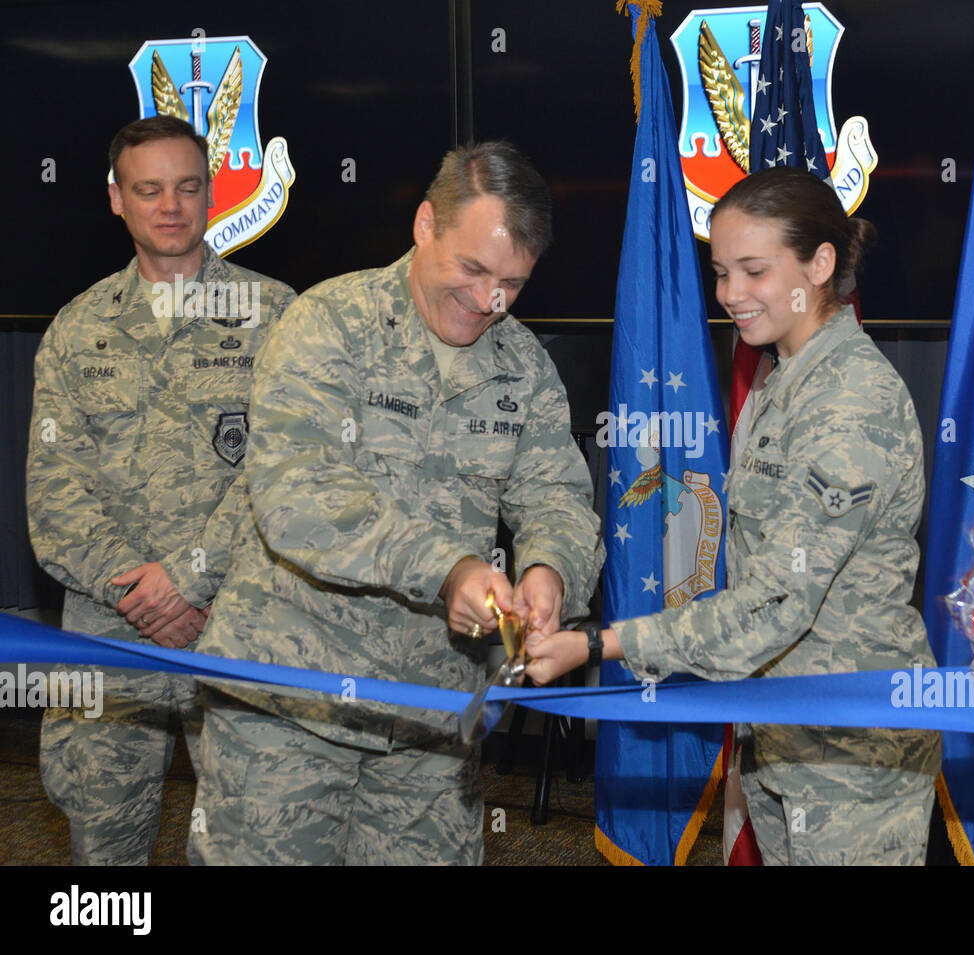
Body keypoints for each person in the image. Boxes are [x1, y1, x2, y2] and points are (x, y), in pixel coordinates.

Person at [187, 140, 603, 866]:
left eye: (511, 282)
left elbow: (558, 495)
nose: (486, 300)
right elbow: (298, 494)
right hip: (288, 708)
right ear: (423, 225)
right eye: (471, 269)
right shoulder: (328, 324)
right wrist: (449, 567)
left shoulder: (524, 366)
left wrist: (550, 573)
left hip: (431, 722)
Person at [527, 166, 941, 865]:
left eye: (753, 270)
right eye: (720, 272)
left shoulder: (850, 400)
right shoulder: (787, 379)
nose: (729, 295)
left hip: (854, 753)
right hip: (785, 728)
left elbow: (774, 605)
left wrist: (602, 645)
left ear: (820, 263)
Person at [26, 115, 296, 864]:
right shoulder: (77, 330)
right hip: (110, 636)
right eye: (149, 190)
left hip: (239, 622)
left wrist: (188, 579)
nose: (170, 206)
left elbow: (290, 475)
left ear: (212, 193)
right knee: (102, 850)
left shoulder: (281, 317)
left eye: (186, 187)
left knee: (253, 841)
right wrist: (143, 597)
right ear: (117, 199)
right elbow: (56, 493)